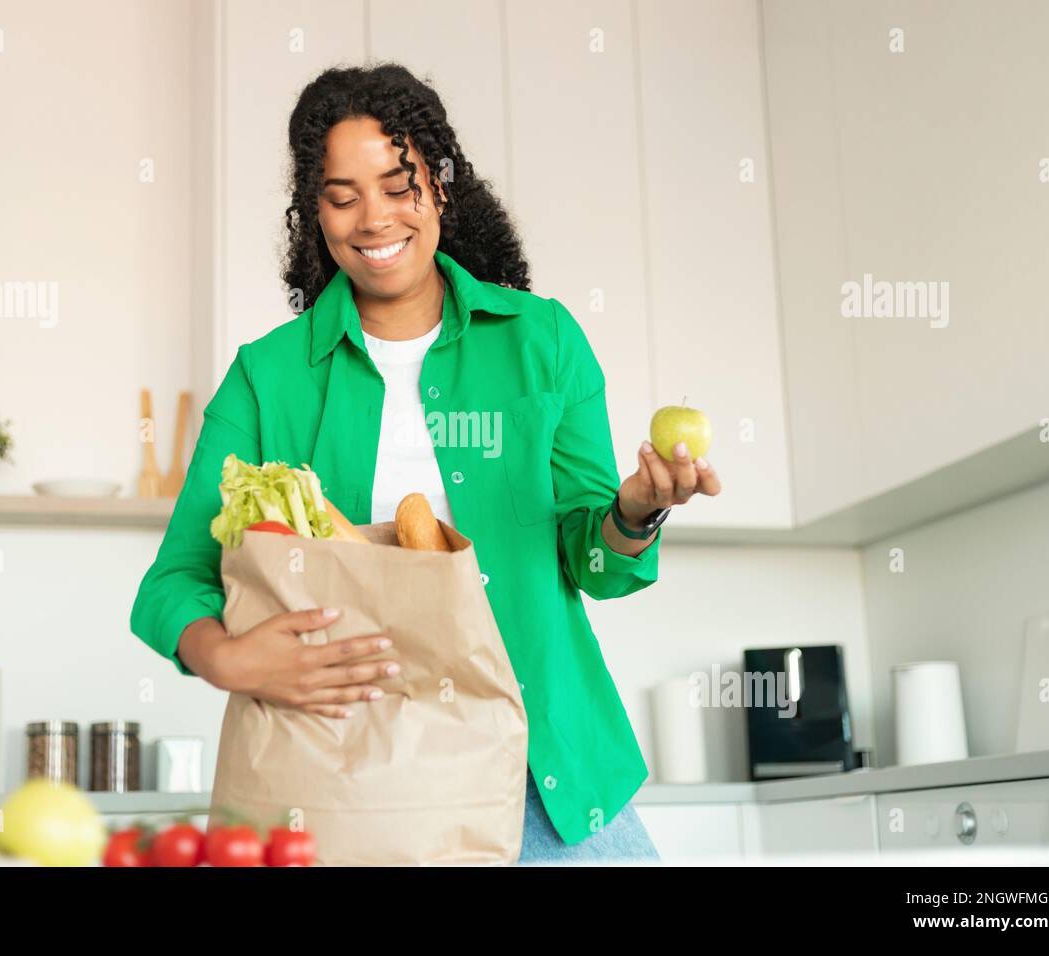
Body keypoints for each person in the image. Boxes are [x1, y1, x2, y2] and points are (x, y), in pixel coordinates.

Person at [130, 62, 721, 864]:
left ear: (442, 189)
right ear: (316, 212)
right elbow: (173, 583)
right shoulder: (267, 379)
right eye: (342, 196)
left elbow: (597, 565)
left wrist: (636, 510)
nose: (374, 218)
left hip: (545, 788)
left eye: (399, 185)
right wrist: (231, 658)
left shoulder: (540, 341)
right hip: (358, 789)